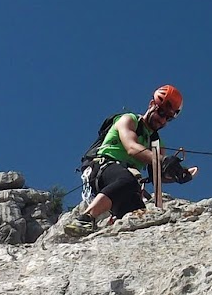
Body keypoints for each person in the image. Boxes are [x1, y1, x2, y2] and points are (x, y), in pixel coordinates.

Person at [64, 84, 198, 237]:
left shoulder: (157, 143)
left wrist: (178, 175)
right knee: (129, 180)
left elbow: (157, 177)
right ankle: (85, 218)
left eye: (168, 118)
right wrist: (162, 160)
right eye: (161, 113)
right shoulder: (129, 120)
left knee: (137, 213)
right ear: (151, 105)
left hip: (122, 183)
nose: (162, 120)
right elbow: (132, 148)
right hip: (102, 167)